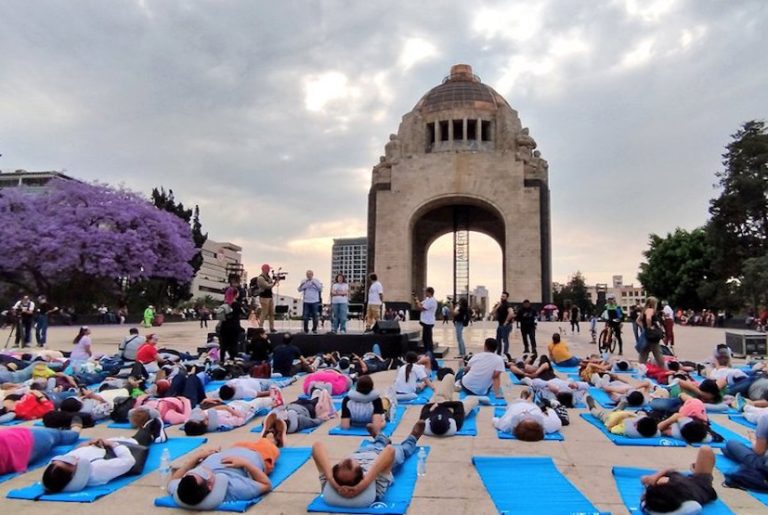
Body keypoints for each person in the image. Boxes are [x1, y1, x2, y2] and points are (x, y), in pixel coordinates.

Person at [311, 420, 425, 504]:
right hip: (383, 460)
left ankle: (380, 438)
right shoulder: (374, 486)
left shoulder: (333, 480)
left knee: (376, 445)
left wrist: (332, 482)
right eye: (351, 465)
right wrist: (364, 483)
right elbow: (389, 450)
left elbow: (317, 446)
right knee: (402, 451)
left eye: (341, 464)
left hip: (364, 451)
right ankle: (413, 438)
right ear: (361, 475)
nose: (347, 460)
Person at [41, 418, 165, 493]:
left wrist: (88, 443)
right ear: (72, 473)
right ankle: (154, 428)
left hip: (101, 446)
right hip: (121, 447)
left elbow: (73, 453)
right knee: (144, 433)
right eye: (68, 463)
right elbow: (128, 461)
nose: (69, 460)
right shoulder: (97, 470)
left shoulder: (66, 466)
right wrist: (112, 444)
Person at [168, 433, 282, 510]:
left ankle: (267, 435)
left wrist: (196, 458)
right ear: (210, 486)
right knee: (267, 442)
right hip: (260, 454)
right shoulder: (234, 488)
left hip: (235, 448)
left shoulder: (186, 486)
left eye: (194, 471)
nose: (202, 469)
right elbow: (266, 485)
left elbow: (173, 481)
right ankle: (273, 437)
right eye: (203, 473)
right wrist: (245, 464)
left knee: (245, 442)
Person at [640, 446, 718, 513]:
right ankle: (694, 471)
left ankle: (694, 470)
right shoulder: (676, 482)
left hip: (696, 487)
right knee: (706, 449)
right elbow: (669, 470)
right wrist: (653, 478)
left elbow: (645, 501)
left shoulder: (655, 502)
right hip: (702, 484)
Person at [419, 371, 485, 437]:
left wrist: (434, 406)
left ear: (430, 421)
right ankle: (474, 398)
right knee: (473, 400)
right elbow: (458, 405)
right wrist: (441, 404)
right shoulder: (456, 423)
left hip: (437, 402)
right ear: (450, 422)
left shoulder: (424, 421)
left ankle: (453, 387)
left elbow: (426, 407)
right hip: (453, 410)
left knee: (449, 376)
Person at [0, 426, 81, 476]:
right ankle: (76, 427)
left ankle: (76, 428)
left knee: (61, 435)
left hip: (21, 438)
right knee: (61, 435)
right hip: (25, 441)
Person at [492, 389, 562, 441]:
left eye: (524, 417)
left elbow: (496, 421)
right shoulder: (549, 425)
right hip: (535, 406)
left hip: (517, 404)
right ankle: (529, 398)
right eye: (531, 417)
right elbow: (551, 412)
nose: (527, 413)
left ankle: (524, 398)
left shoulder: (507, 424)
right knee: (540, 405)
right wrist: (546, 412)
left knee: (518, 402)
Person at [585, 395, 660, 438]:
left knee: (601, 414)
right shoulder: (655, 432)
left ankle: (592, 407)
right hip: (626, 415)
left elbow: (612, 429)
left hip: (613, 419)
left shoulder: (627, 430)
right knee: (619, 413)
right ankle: (618, 409)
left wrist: (609, 426)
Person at [638, 297, 666, 369]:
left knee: (643, 355)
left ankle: (640, 370)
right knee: (658, 354)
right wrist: (649, 327)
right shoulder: (650, 310)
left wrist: (644, 328)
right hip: (652, 336)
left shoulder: (644, 310)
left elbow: (638, 320)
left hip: (647, 336)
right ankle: (663, 370)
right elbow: (648, 318)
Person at [256, 264, 280, 333]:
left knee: (271, 313)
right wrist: (274, 283)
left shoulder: (268, 277)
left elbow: (271, 283)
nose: (269, 270)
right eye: (268, 269)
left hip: (269, 296)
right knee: (264, 312)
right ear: (265, 269)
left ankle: (272, 328)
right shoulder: (260, 278)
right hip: (264, 297)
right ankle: (260, 327)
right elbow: (267, 286)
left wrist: (275, 280)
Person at [413, 287, 437, 355]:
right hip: (425, 322)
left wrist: (417, 301)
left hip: (428, 322)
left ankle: (429, 353)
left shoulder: (432, 301)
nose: (425, 293)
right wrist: (416, 299)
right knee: (425, 339)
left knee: (428, 339)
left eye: (426, 292)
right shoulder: (427, 300)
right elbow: (420, 304)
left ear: (429, 292)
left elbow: (421, 308)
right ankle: (427, 352)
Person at [298, 270, 323, 334]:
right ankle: (306, 330)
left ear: (312, 274)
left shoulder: (316, 280)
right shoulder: (304, 281)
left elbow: (320, 289)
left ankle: (314, 329)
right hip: (306, 301)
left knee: (315, 316)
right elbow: (299, 289)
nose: (308, 275)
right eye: (307, 274)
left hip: (314, 301)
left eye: (310, 274)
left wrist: (314, 283)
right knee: (305, 316)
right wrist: (303, 284)